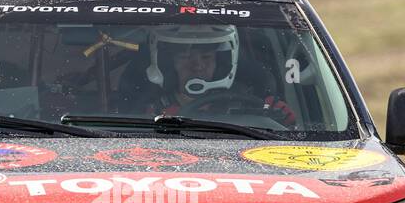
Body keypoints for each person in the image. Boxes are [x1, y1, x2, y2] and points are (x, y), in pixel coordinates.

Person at [119, 24, 296, 125]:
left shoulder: (255, 105)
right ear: (167, 65)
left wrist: (283, 120)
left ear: (222, 64)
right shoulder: (146, 110)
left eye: (207, 57)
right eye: (184, 57)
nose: (197, 66)